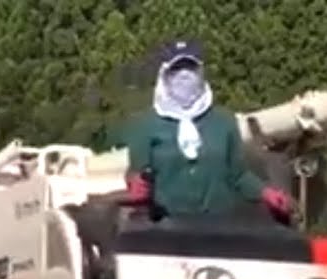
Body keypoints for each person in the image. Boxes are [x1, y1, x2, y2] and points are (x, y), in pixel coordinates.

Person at [122, 39, 293, 222]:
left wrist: (266, 193)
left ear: (201, 72)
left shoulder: (224, 121)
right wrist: (134, 183)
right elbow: (136, 174)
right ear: (164, 75)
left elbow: (239, 175)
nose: (184, 76)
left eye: (191, 68)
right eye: (176, 69)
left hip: (219, 225)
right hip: (166, 227)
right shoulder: (145, 125)